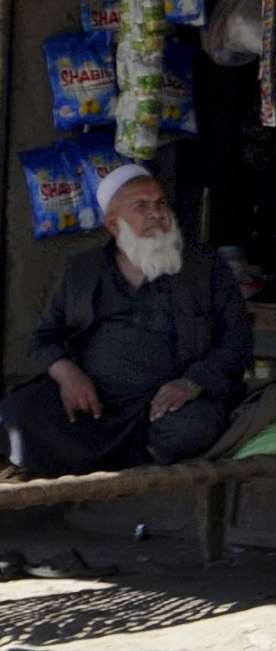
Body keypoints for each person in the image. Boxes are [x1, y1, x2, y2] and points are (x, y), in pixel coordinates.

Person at [6, 165, 250, 477]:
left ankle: (110, 463)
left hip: (168, 408)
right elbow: (43, 338)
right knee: (18, 412)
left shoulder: (205, 267)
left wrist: (193, 382)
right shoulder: (82, 270)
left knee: (191, 430)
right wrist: (67, 374)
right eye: (142, 206)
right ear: (113, 223)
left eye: (161, 203)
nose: (157, 214)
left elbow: (238, 341)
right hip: (94, 406)